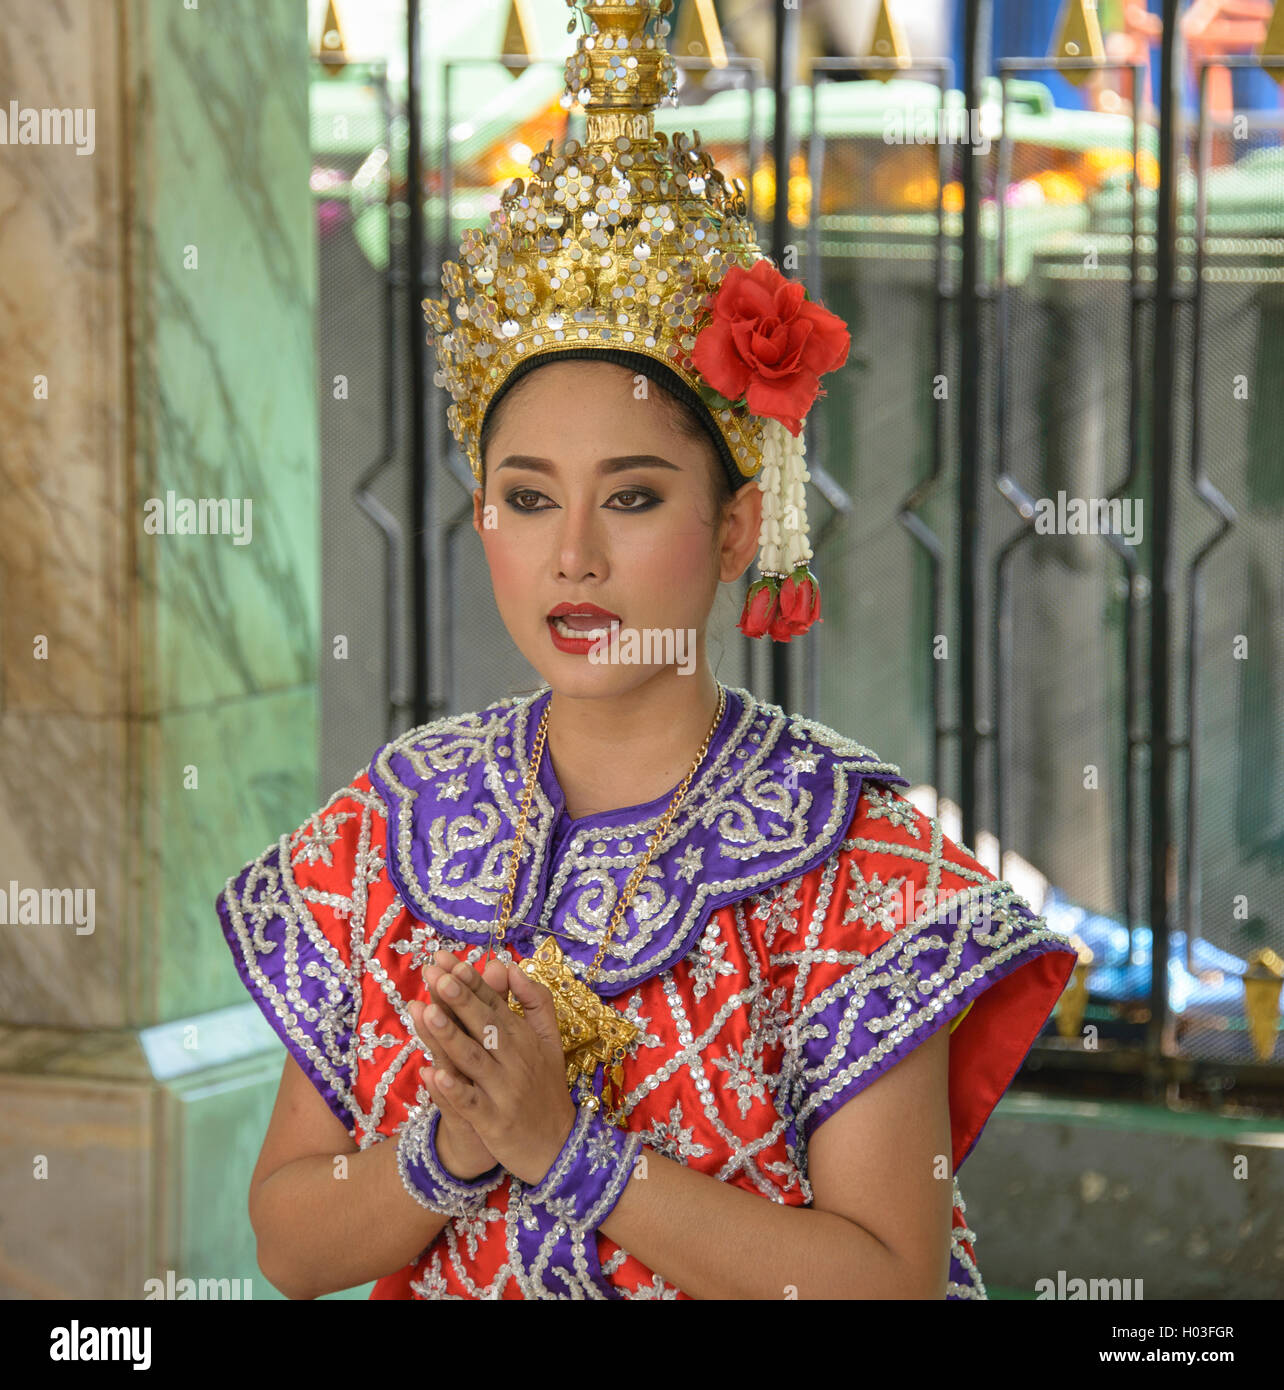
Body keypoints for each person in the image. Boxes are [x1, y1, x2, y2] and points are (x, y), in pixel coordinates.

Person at [217, 0, 1078, 1300]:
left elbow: (886, 1281)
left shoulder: (854, 867)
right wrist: (452, 1146)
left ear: (738, 524)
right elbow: (287, 1240)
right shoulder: (389, 831)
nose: (573, 555)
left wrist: (570, 1153)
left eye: (630, 497)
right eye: (525, 495)